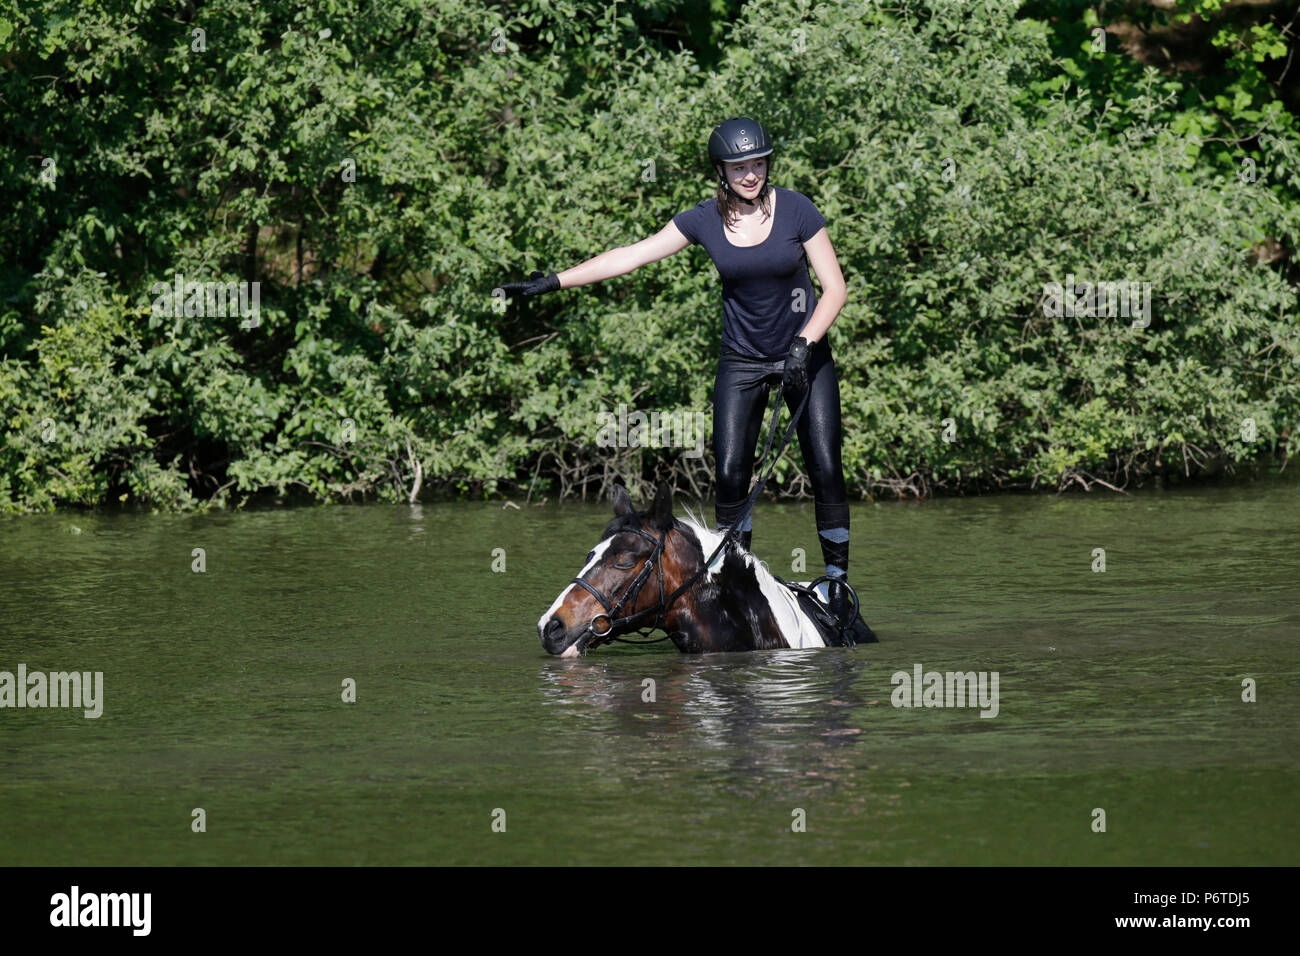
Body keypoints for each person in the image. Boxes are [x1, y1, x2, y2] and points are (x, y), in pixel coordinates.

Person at [499, 117, 855, 631]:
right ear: (721, 170)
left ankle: (838, 583)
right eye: (739, 166)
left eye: (758, 163)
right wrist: (555, 281)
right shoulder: (705, 220)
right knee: (731, 474)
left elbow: (835, 288)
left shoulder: (797, 209)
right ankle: (739, 582)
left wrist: (805, 341)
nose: (751, 174)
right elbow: (630, 256)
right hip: (743, 359)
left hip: (807, 352)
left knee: (825, 467)